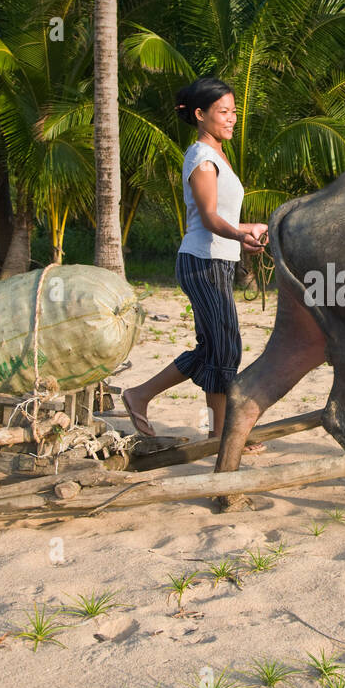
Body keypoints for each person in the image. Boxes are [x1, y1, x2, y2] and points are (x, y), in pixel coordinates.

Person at [122, 78, 268, 448]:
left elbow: (223, 217)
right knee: (224, 348)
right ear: (201, 115)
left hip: (215, 260)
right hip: (202, 262)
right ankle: (219, 434)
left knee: (216, 348)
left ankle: (149, 400)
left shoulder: (217, 155)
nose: (232, 118)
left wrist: (248, 233)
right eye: (224, 112)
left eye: (234, 111)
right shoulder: (201, 158)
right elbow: (208, 218)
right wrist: (240, 234)